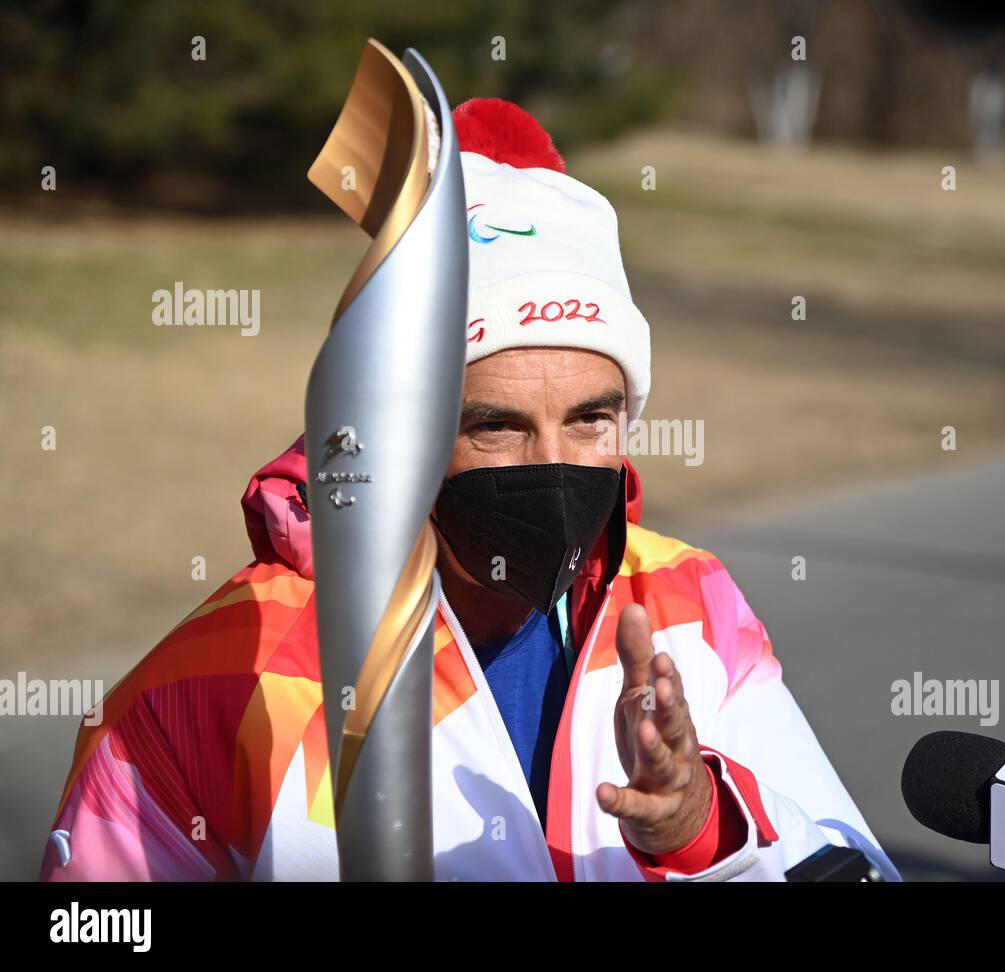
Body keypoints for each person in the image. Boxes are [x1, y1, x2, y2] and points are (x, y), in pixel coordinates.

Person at [40, 97, 898, 883]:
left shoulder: (691, 604)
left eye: (591, 420)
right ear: (397, 434)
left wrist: (704, 831)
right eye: (496, 425)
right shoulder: (212, 679)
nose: (553, 466)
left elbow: (855, 865)